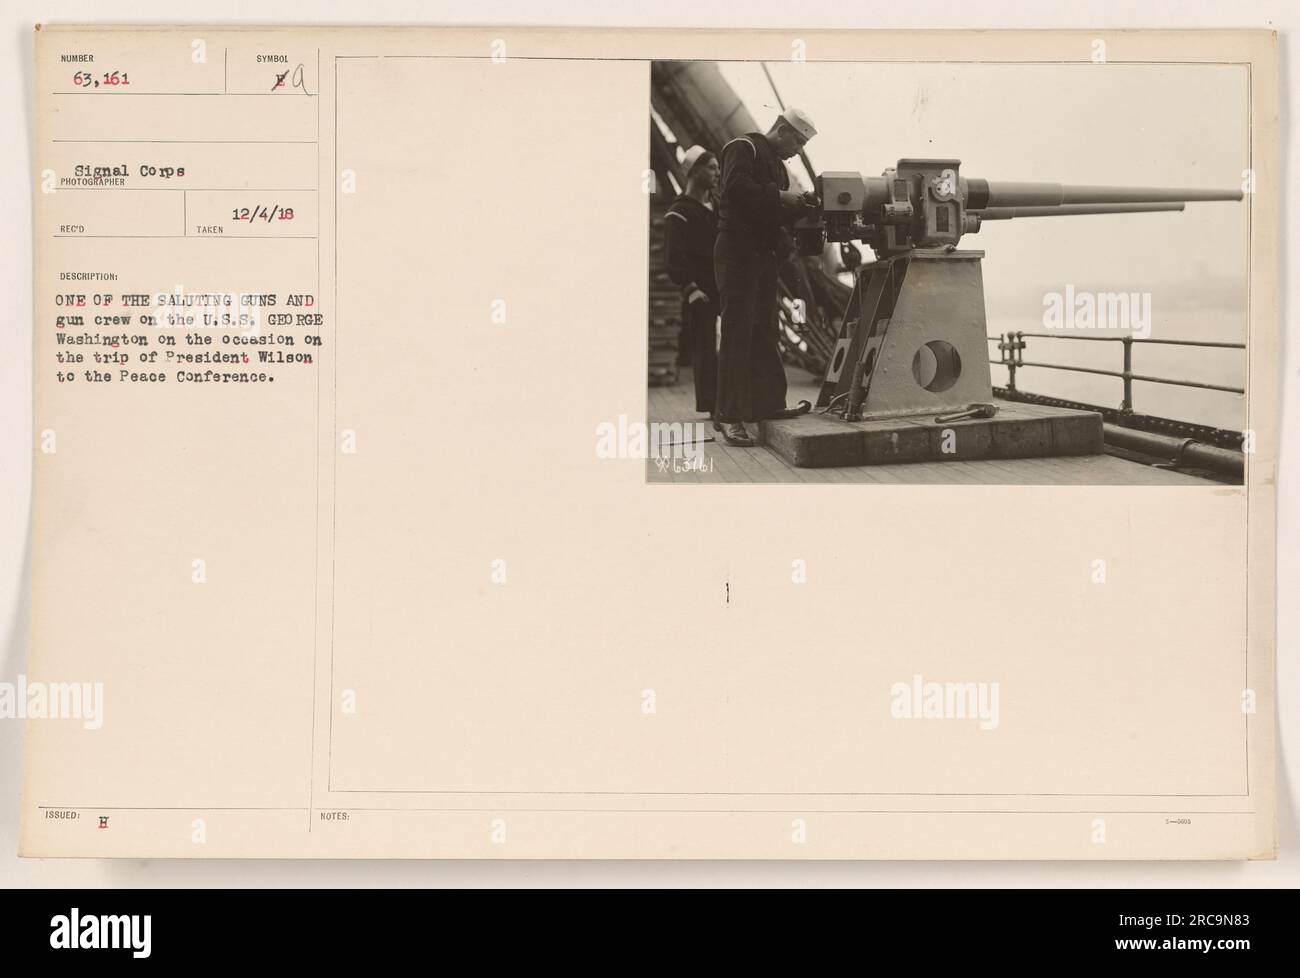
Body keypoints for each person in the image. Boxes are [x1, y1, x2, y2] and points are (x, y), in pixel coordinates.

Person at [712, 108, 819, 447]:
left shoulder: (777, 168)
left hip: (763, 257)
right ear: (782, 129)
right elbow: (735, 188)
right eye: (798, 141)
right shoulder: (743, 148)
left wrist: (801, 209)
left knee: (766, 330)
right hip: (737, 252)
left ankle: (768, 404)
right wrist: (781, 198)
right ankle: (729, 417)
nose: (799, 150)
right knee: (737, 332)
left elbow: (774, 217)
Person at [663, 145, 721, 416]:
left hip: (724, 286)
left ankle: (730, 400)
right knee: (707, 347)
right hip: (702, 292)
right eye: (711, 168)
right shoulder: (680, 211)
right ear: (695, 172)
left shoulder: (719, 208)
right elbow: (673, 258)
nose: (717, 173)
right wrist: (691, 289)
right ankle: (713, 406)